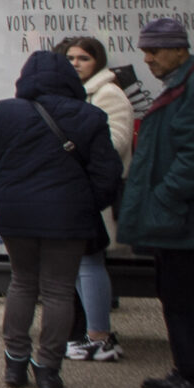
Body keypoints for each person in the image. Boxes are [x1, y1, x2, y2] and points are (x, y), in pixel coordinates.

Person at [0, 48, 124, 388]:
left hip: (16, 213)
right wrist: (85, 204)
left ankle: (14, 364)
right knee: (58, 290)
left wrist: (4, 196)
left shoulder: (7, 111)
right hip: (68, 216)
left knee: (22, 283)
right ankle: (48, 369)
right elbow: (107, 175)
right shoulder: (89, 116)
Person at [115, 17, 194, 388]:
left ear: (180, 49)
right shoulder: (183, 85)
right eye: (145, 51)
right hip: (180, 221)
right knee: (177, 298)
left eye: (156, 51)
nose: (148, 59)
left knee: (191, 301)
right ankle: (186, 370)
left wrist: (164, 197)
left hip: (190, 222)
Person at [60, 35, 134, 364]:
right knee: (81, 264)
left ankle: (99, 335)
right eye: (71, 58)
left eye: (83, 58)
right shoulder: (81, 93)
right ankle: (92, 333)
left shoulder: (109, 93)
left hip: (97, 191)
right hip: (79, 190)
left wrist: (71, 147)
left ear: (98, 62)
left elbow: (115, 142)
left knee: (91, 262)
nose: (75, 63)